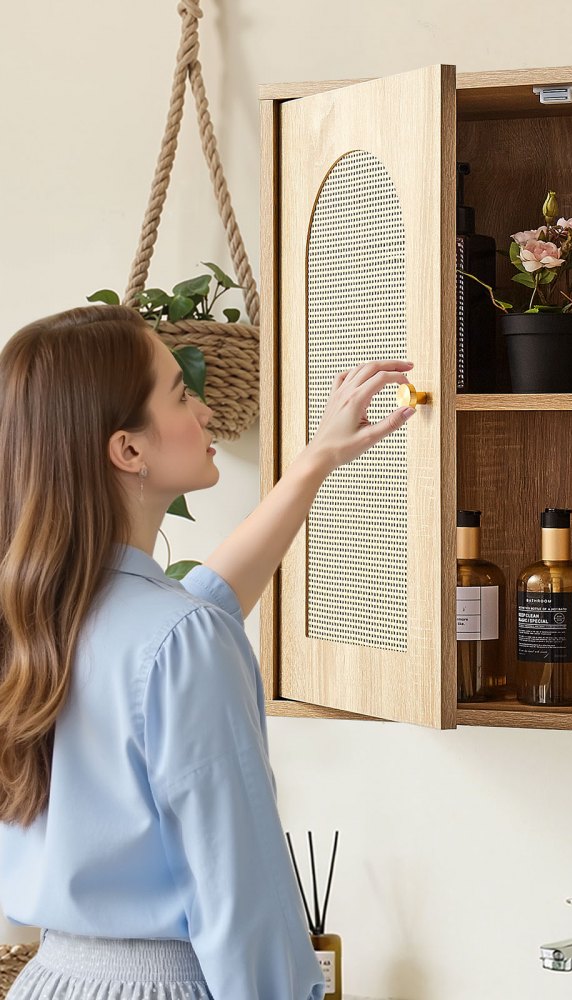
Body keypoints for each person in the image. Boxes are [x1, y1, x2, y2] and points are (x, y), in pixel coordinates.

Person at [0, 304, 417, 999]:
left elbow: (199, 608)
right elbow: (241, 899)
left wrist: (315, 462)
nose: (203, 411)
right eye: (180, 393)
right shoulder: (177, 641)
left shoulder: (34, 619)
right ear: (128, 450)